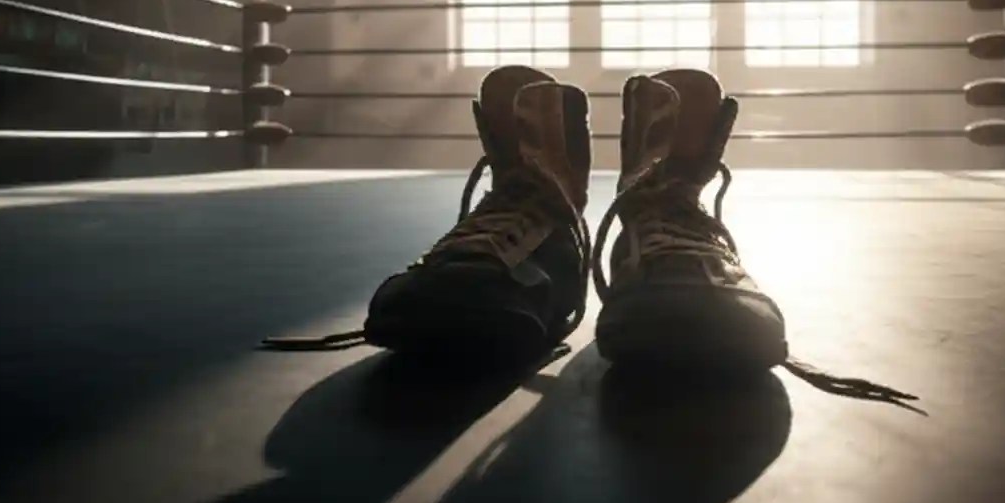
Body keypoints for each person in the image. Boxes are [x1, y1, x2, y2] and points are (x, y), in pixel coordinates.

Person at [263, 65, 916, 407]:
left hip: (648, 237)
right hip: (540, 236)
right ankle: (538, 224)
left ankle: (660, 223)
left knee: (666, 204)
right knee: (495, 243)